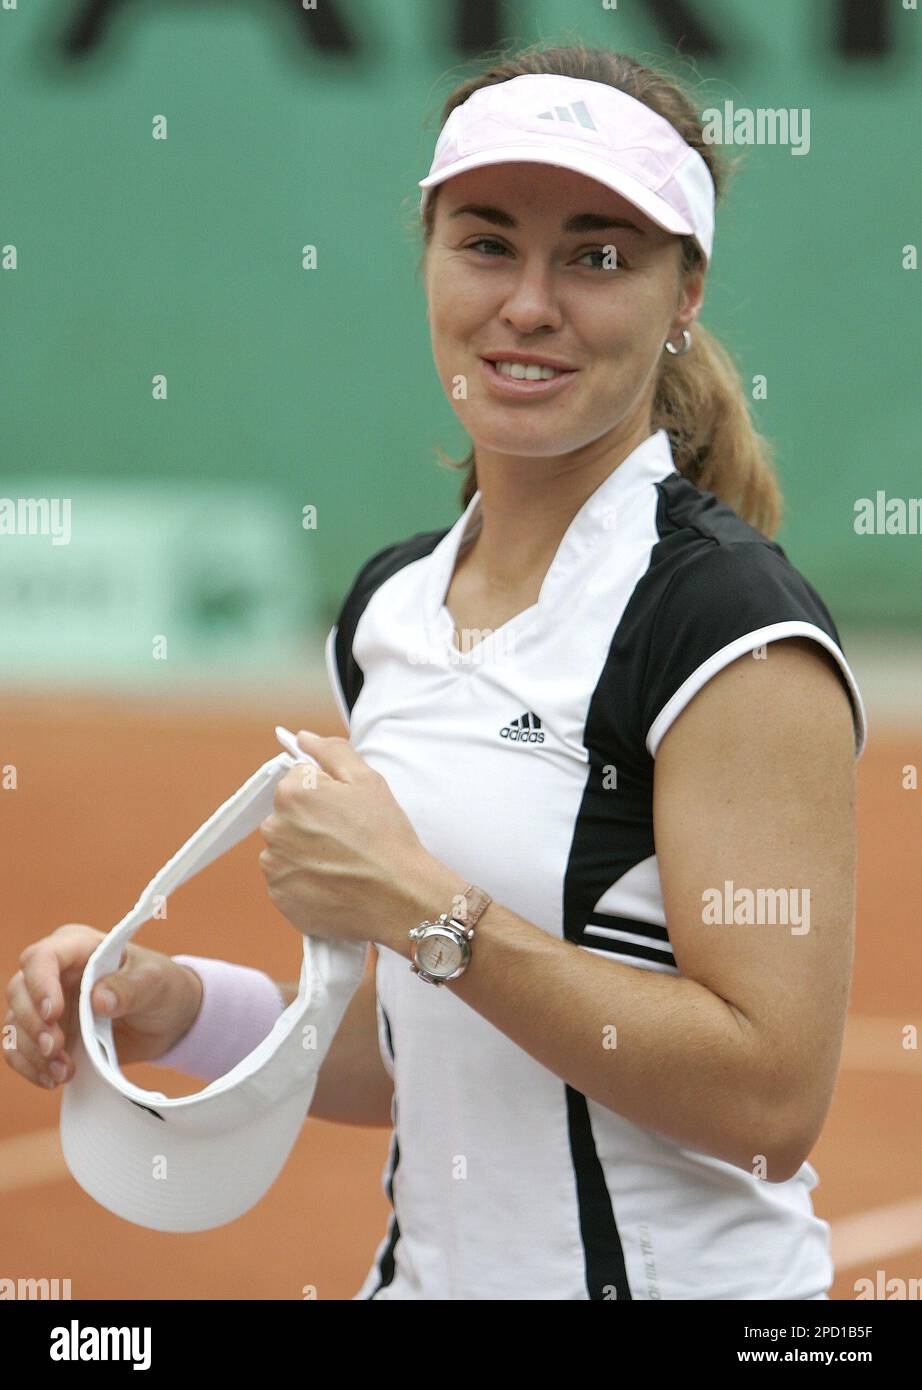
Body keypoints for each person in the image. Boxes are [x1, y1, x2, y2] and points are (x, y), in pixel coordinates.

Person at [5, 44, 867, 1300]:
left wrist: (421, 908)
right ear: (427, 261)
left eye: (597, 255)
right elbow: (437, 1046)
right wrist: (175, 1002)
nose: (527, 303)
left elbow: (769, 1099)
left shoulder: (727, 627)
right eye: (484, 242)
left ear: (684, 294)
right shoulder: (389, 611)